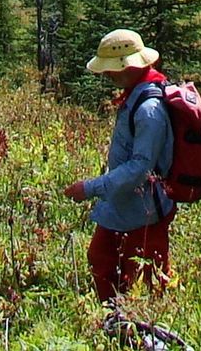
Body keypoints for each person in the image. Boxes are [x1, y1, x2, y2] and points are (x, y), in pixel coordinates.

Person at [63, 27, 176, 301]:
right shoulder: (135, 96)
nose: (107, 74)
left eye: (111, 68)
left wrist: (91, 188)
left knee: (142, 283)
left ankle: (138, 334)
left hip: (146, 211)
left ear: (128, 66)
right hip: (124, 205)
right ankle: (111, 322)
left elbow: (141, 167)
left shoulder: (149, 110)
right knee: (101, 259)